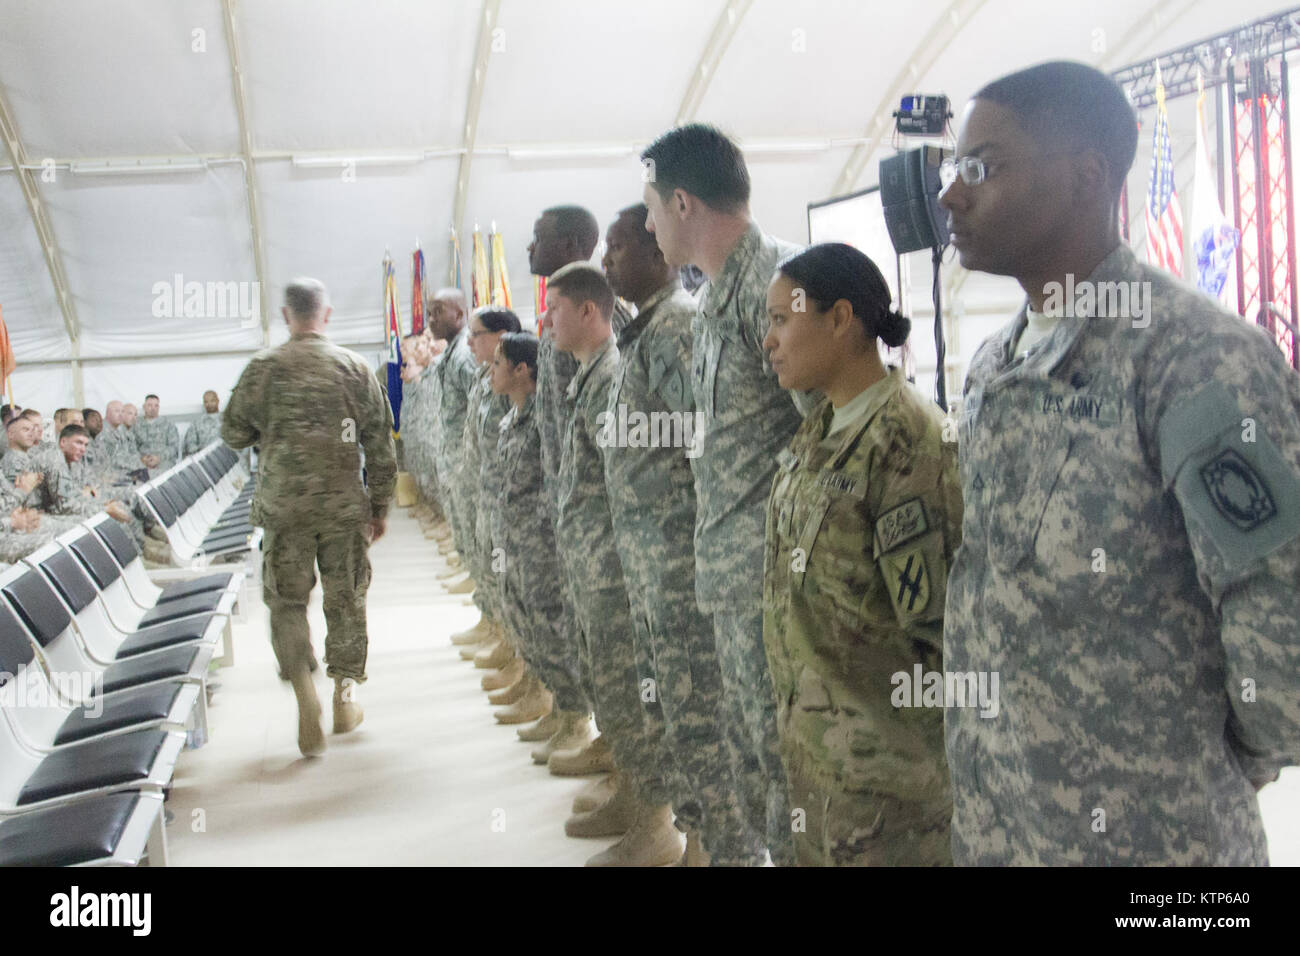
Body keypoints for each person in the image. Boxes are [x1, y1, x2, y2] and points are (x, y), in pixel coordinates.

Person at [939, 60, 1300, 865]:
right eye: (950, 171)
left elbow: (1279, 619)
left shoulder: (1191, 357)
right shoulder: (996, 362)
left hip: (1152, 841)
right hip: (1006, 820)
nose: (950, 195)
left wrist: (1195, 760)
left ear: (1085, 177)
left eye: (980, 168)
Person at [761, 243, 960, 865]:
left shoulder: (911, 447)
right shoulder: (822, 425)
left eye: (780, 319)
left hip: (887, 794)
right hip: (817, 764)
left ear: (840, 318)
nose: (767, 339)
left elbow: (937, 635)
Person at [641, 122, 807, 864]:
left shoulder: (775, 288)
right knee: (754, 765)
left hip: (778, 587)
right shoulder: (713, 301)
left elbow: (832, 440)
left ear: (682, 203)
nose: (647, 227)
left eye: (650, 209)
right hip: (734, 581)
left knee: (791, 774)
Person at [598, 203, 750, 866]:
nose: (609, 262)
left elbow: (707, 448)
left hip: (684, 565)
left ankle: (722, 850)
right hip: (655, 563)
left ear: (660, 255)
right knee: (675, 712)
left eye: (621, 246)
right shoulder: (648, 330)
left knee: (702, 718)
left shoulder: (678, 329)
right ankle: (691, 838)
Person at [222, 277, 396, 758]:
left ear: (286, 316)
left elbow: (233, 431)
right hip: (342, 508)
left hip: (285, 508)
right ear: (327, 314)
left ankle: (303, 688)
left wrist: (272, 427)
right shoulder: (354, 368)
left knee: (286, 603)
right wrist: (378, 506)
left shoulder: (263, 368)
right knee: (346, 601)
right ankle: (345, 698)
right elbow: (380, 443)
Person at [548, 262, 684, 865]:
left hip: (619, 567)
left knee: (633, 697)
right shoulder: (592, 374)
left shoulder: (610, 376)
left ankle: (655, 824)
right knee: (615, 691)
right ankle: (634, 799)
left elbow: (632, 482)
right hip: (597, 564)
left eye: (554, 310)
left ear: (587, 311)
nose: (546, 322)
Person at [489, 334, 592, 761]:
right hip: (515, 541)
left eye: (498, 363)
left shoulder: (542, 422)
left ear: (523, 370)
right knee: (527, 621)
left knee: (553, 629)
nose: (490, 370)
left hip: (541, 544)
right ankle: (554, 703)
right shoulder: (510, 419)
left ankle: (575, 718)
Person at [457, 308, 538, 716]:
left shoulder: (537, 411)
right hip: (497, 508)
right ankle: (520, 663)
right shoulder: (502, 403)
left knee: (539, 613)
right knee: (511, 597)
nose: (469, 342)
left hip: (531, 530)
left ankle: (551, 700)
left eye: (477, 334)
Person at [427, 287, 478, 596]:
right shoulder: (453, 352)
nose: (431, 319)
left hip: (467, 459)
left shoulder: (464, 356)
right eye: (429, 312)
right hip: (456, 457)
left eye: (437, 312)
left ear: (460, 314)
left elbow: (481, 405)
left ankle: (480, 590)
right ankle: (474, 582)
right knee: (463, 526)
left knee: (473, 529)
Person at [182, 391, 223, 456]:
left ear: (218, 401)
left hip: (224, 458)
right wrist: (201, 452)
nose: (209, 404)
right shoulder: (196, 423)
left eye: (212, 400)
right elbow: (189, 445)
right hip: (204, 459)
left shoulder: (227, 421)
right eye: (206, 402)